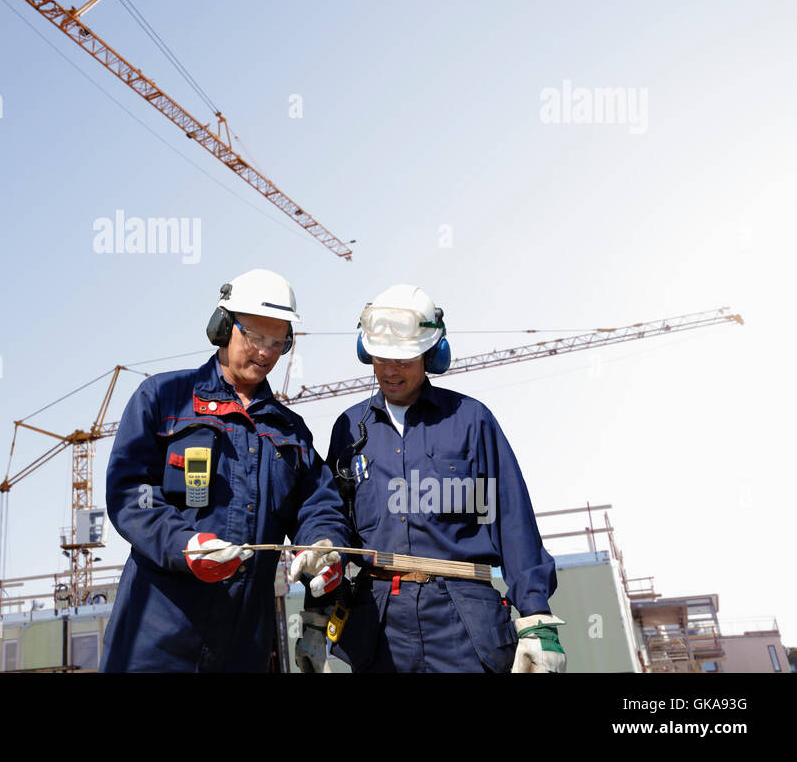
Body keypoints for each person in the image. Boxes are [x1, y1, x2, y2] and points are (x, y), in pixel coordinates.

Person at [299, 284, 564, 673]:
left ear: (431, 355)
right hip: (377, 623)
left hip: (463, 622)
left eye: (403, 360)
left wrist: (537, 619)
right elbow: (332, 526)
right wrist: (314, 618)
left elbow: (512, 520)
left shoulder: (471, 420)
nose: (390, 370)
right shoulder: (348, 428)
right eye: (381, 357)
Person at [99, 269, 353, 672]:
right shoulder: (163, 399)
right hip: (154, 642)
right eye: (255, 336)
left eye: (279, 341)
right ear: (223, 327)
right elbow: (130, 493)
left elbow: (318, 506)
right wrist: (184, 543)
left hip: (241, 648)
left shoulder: (290, 432)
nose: (267, 352)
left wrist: (322, 545)